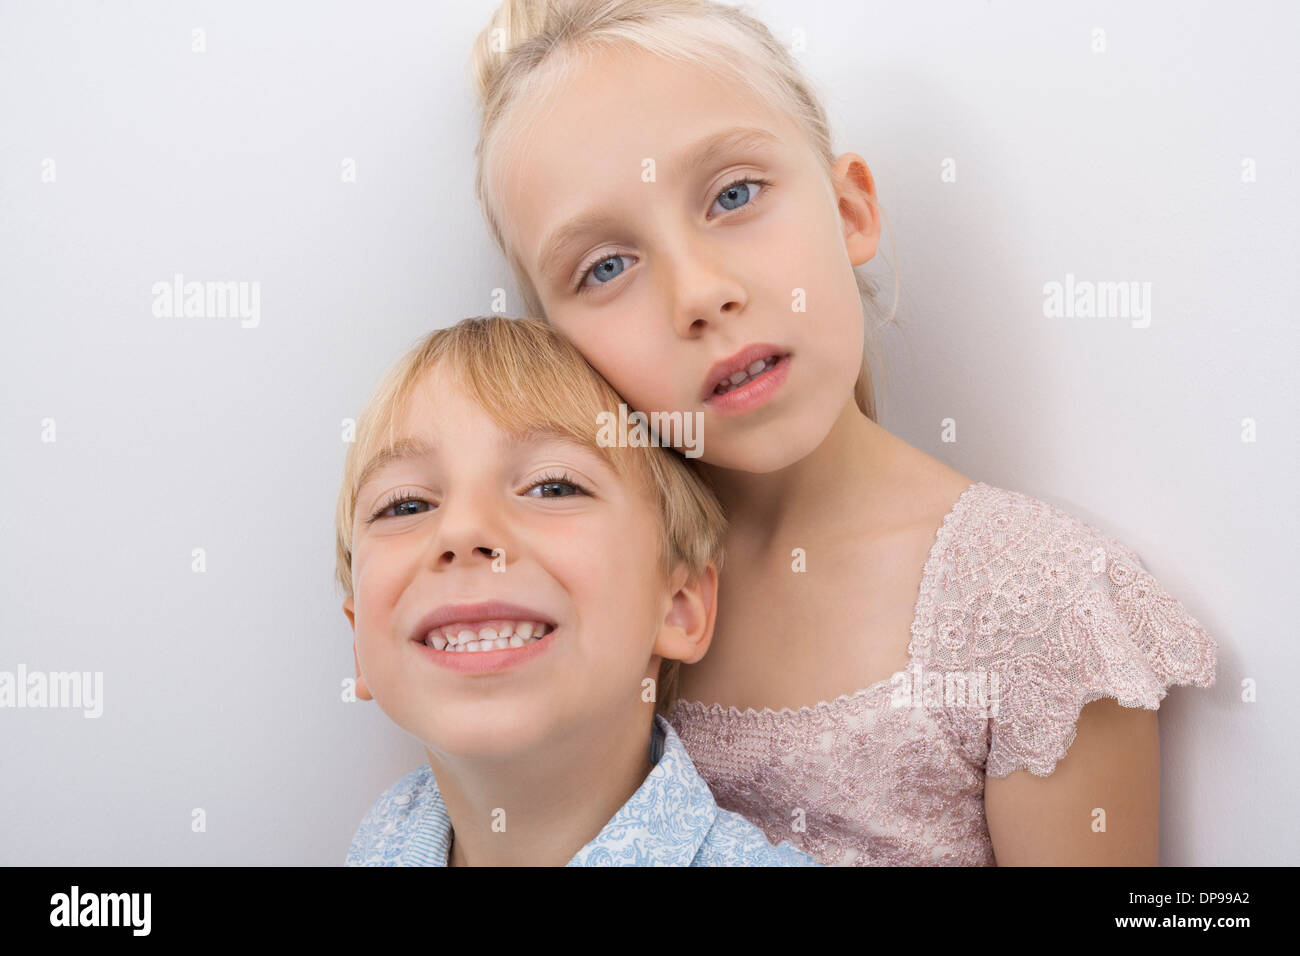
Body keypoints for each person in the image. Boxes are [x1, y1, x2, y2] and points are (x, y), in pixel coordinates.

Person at [466, 0, 1219, 864]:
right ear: (559, 348)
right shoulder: (592, 595)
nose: (698, 294)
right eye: (606, 266)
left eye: (733, 195)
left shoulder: (1039, 607)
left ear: (851, 208)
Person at [336, 316, 818, 866]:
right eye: (407, 505)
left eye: (553, 486)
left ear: (679, 608)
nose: (463, 531)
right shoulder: (382, 837)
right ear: (358, 643)